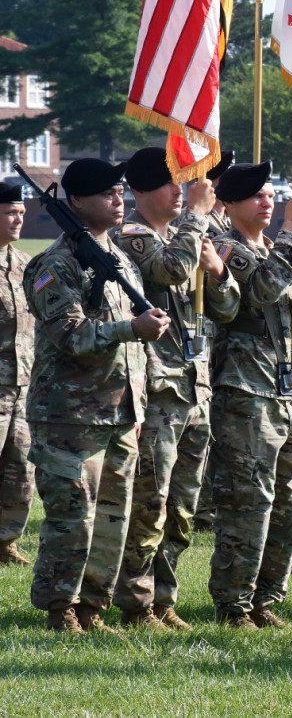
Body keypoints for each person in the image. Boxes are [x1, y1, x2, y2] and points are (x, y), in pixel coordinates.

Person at [24, 158, 171, 633]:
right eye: (107, 192)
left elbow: (131, 348)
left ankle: (92, 607)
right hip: (69, 415)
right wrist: (133, 328)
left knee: (112, 520)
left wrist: (140, 402)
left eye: (121, 190)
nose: (119, 199)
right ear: (77, 201)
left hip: (120, 411)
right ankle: (60, 609)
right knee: (72, 520)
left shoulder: (120, 257)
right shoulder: (54, 264)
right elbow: (69, 334)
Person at [112, 147, 241, 630]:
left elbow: (225, 309)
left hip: (194, 386)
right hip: (157, 390)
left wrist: (218, 269)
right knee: (152, 501)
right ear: (142, 191)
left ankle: (164, 597)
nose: (181, 190)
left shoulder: (191, 237)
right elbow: (167, 271)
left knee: (183, 507)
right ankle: (136, 601)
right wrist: (198, 218)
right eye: (172, 182)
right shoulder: (133, 236)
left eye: (184, 182)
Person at [207, 161, 292, 629]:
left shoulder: (281, 250)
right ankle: (234, 603)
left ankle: (265, 599)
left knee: (288, 501)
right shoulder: (227, 248)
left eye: (270, 193)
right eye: (255, 195)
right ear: (231, 204)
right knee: (247, 502)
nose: (268, 200)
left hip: (287, 388)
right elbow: (255, 295)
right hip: (246, 390)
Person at [0, 182, 34, 567]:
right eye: (11, 212)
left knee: (21, 471)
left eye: (22, 213)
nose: (18, 219)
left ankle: (5, 541)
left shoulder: (25, 264)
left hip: (24, 386)